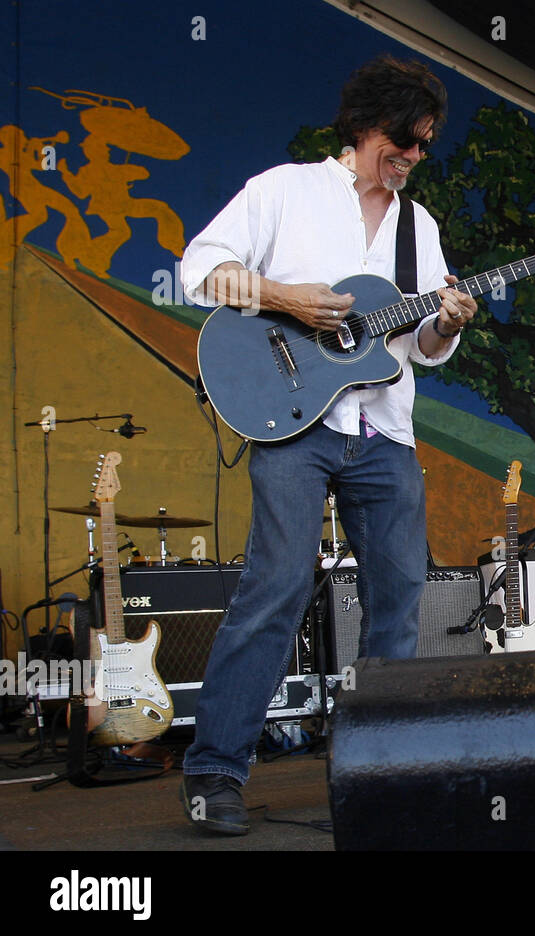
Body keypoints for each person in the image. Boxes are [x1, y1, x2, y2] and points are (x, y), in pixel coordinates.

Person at [177, 56, 478, 835]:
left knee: (400, 601)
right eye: (402, 140)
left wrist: (446, 322)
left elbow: (425, 343)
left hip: (385, 430)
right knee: (275, 588)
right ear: (364, 126)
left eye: (423, 146)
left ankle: (389, 765)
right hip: (295, 423)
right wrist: (284, 297)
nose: (412, 156)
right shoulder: (285, 190)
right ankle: (215, 771)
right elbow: (198, 270)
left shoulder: (423, 226)